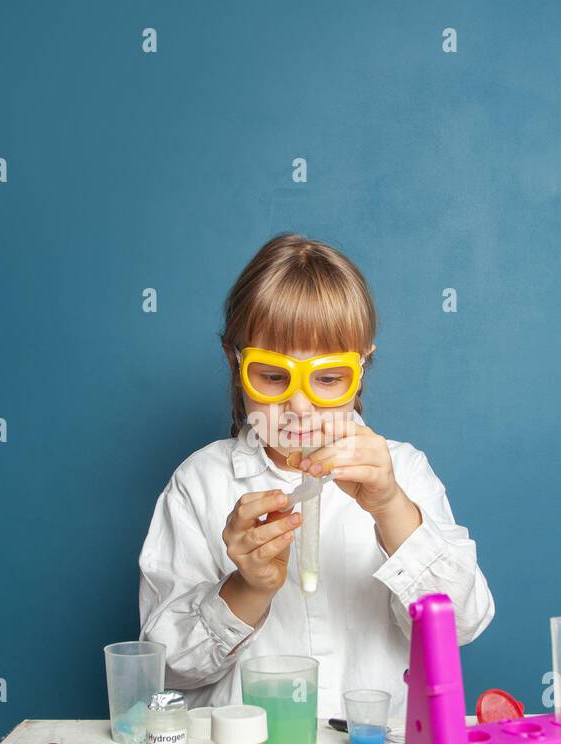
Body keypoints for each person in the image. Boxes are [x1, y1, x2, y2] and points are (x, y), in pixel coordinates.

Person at [138, 233, 494, 717]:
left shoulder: (404, 471)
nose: (299, 406)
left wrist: (391, 508)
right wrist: (249, 587)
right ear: (234, 360)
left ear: (361, 367)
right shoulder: (200, 483)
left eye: (327, 378)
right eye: (273, 376)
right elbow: (168, 670)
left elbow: (459, 628)